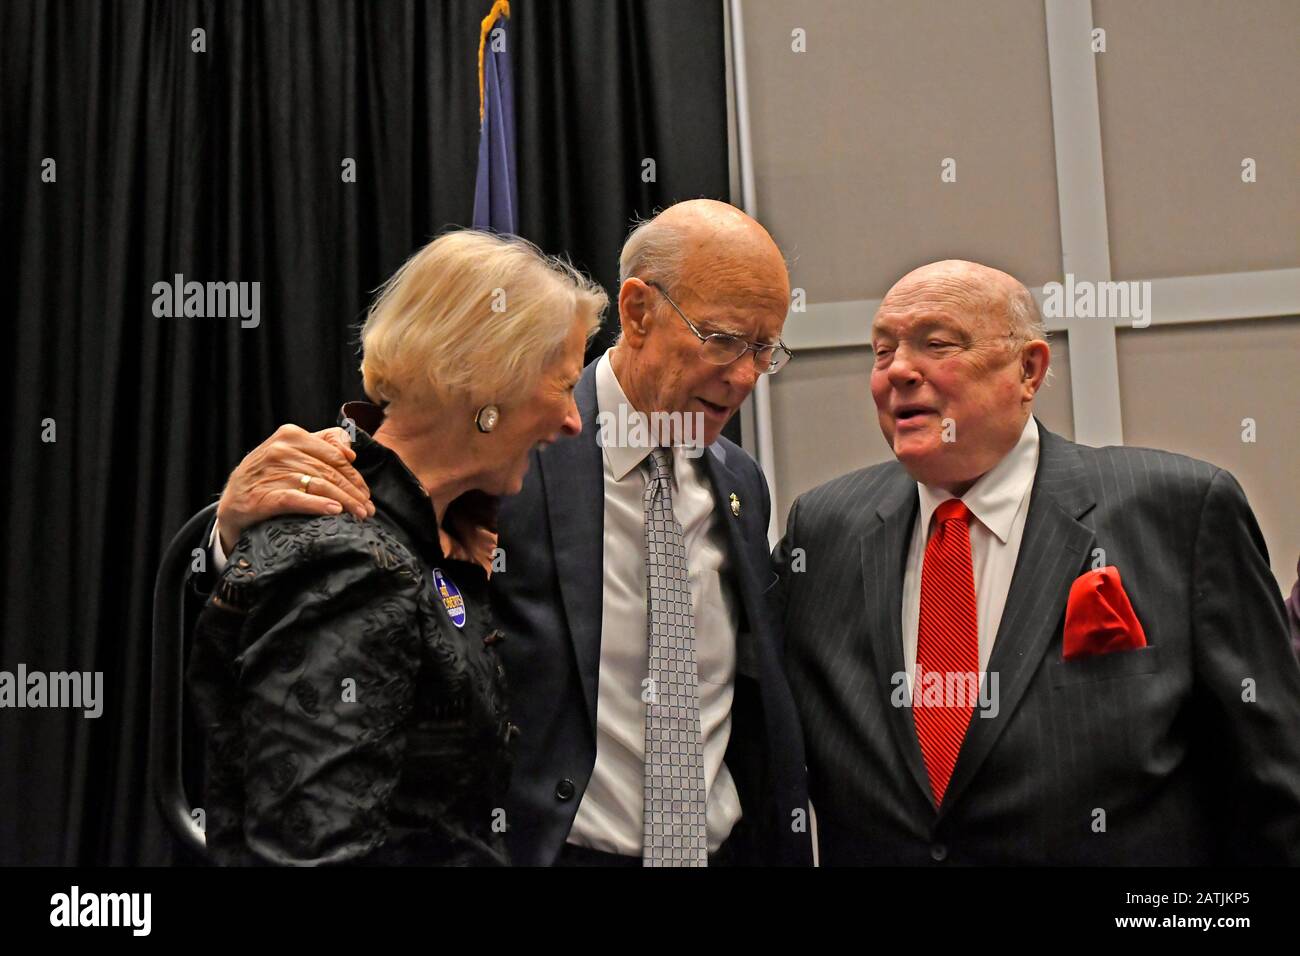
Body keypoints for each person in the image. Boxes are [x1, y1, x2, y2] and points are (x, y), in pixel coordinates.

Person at [208, 200, 814, 866]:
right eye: (725, 339)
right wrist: (231, 538)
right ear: (639, 310)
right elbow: (325, 608)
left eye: (766, 349)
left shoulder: (739, 484)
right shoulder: (502, 461)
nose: (747, 374)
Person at [773, 259, 1300, 864]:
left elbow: (1274, 784)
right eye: (881, 350)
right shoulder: (823, 529)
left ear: (1028, 369)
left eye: (935, 344)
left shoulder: (1178, 510)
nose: (898, 371)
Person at [187, 229, 607, 865]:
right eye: (563, 384)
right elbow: (315, 849)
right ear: (491, 388)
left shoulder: (430, 534)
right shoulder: (352, 557)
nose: (574, 419)